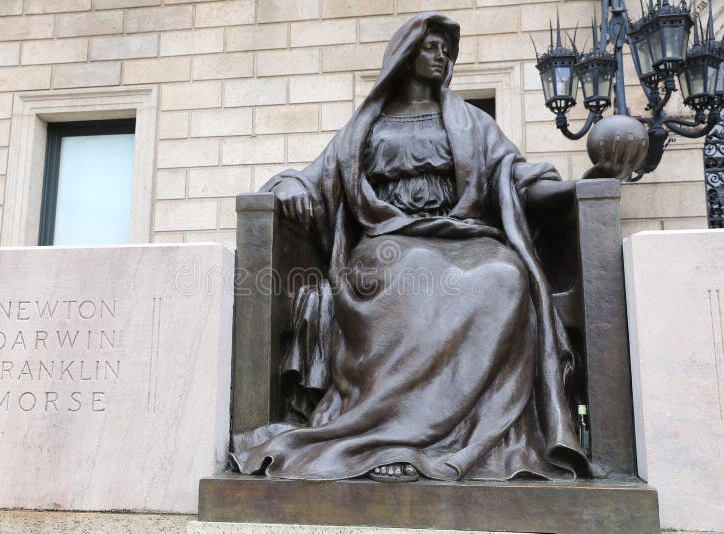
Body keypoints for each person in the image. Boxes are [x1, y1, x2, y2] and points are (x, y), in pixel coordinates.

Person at [231, 12, 591, 482]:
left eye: (447, 50)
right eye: (432, 47)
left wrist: (576, 186)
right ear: (405, 54)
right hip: (386, 245)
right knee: (416, 262)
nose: (443, 57)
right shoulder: (366, 128)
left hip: (464, 239)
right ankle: (391, 436)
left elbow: (517, 179)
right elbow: (311, 178)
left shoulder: (473, 123)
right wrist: (286, 186)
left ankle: (458, 436)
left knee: (507, 274)